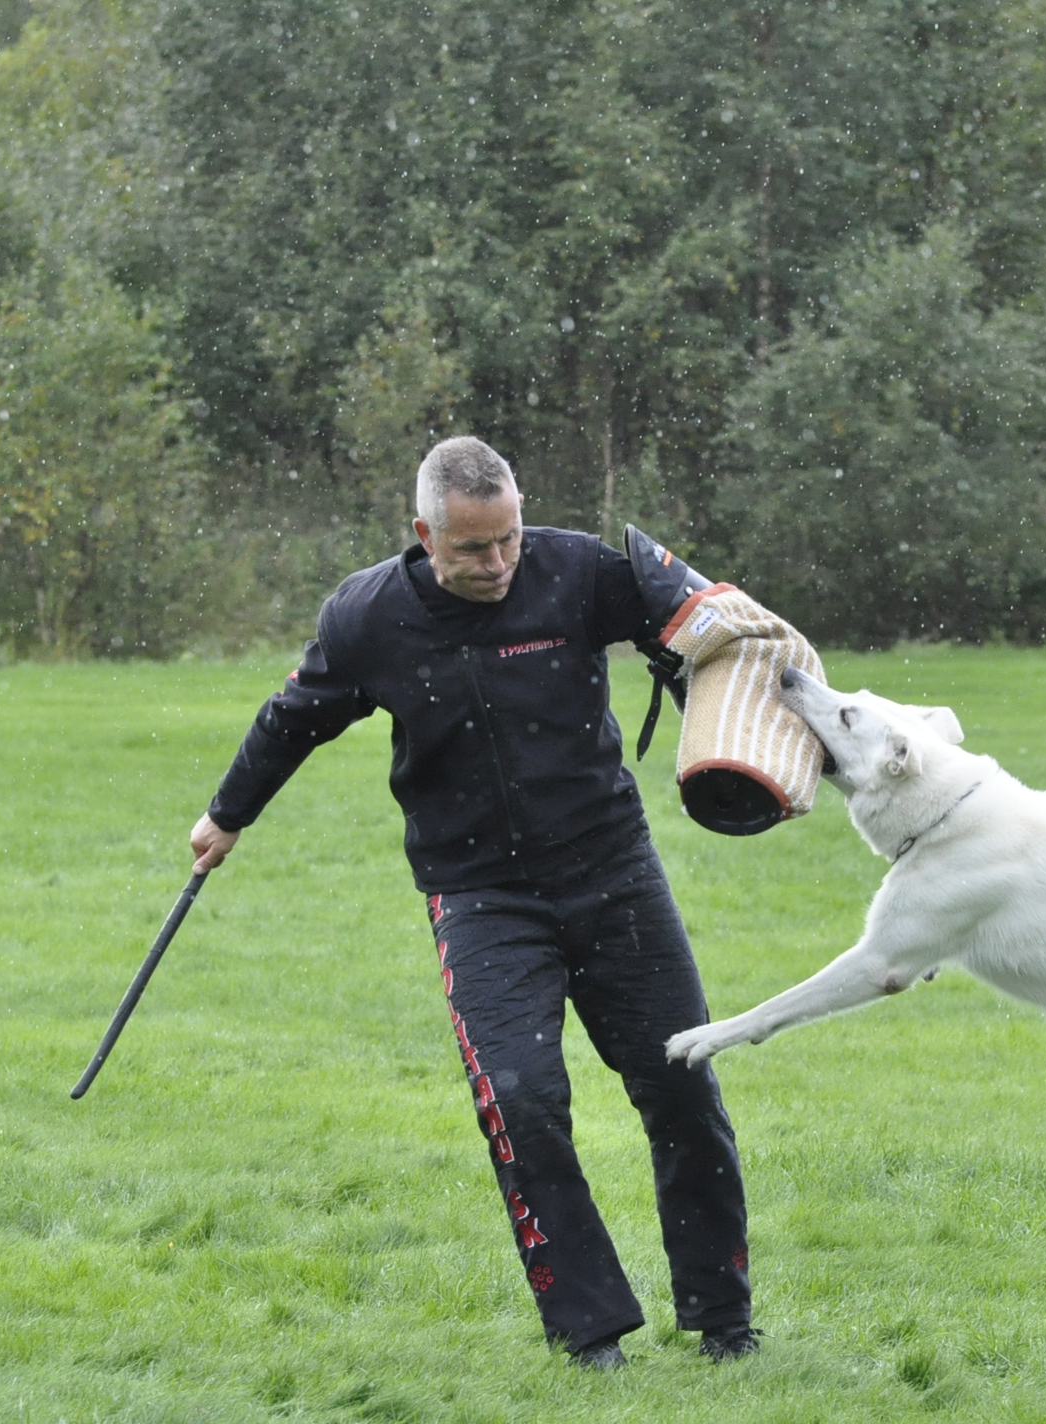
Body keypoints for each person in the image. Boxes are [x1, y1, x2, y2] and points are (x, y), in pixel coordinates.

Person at [187, 437, 757, 1369]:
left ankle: (724, 1320)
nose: (497, 566)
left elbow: (708, 626)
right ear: (424, 535)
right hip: (480, 896)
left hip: (614, 874)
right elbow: (296, 714)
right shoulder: (367, 616)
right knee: (522, 1100)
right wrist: (227, 814)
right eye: (471, 551)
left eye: (508, 541)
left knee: (682, 1086)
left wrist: (761, 693)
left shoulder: (577, 570)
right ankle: (591, 1335)